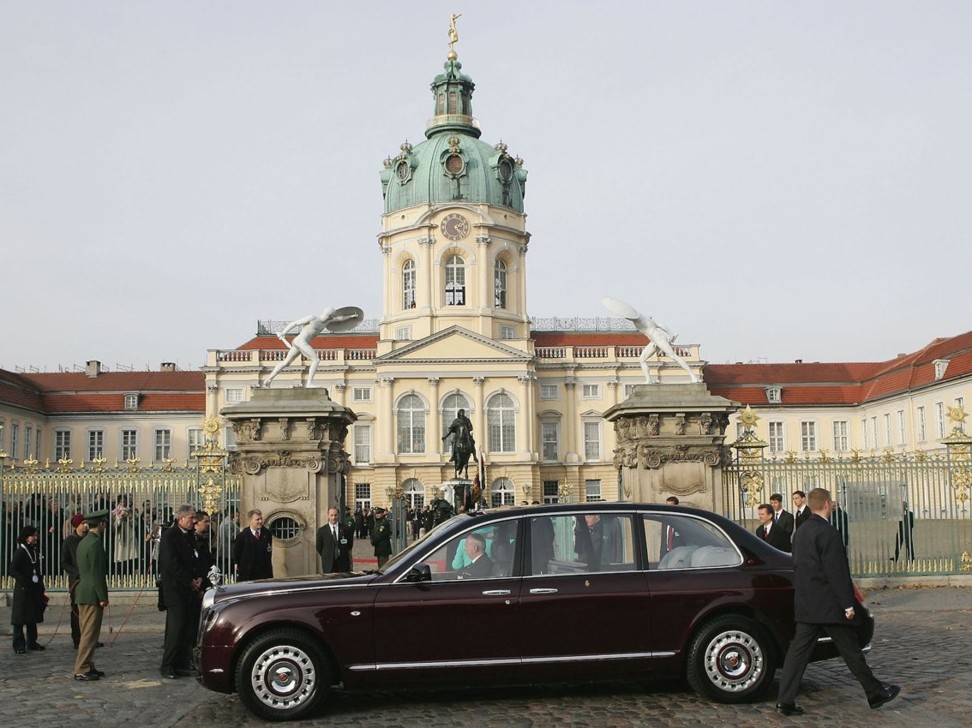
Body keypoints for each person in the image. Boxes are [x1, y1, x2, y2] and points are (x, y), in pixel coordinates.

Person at [776, 487, 899, 716]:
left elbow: (798, 567)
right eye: (831, 502)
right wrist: (848, 604)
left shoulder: (800, 533)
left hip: (806, 602)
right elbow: (837, 572)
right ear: (827, 504)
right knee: (851, 650)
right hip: (828, 604)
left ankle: (785, 700)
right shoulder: (828, 532)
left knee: (797, 653)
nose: (832, 505)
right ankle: (875, 692)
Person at [262, 307, 359, 388]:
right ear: (330, 315)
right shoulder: (313, 318)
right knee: (316, 360)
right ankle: (309, 383)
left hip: (299, 342)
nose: (334, 317)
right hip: (300, 341)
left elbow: (340, 319)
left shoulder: (327, 321)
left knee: (286, 362)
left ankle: (268, 379)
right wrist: (284, 332)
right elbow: (294, 323)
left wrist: (351, 316)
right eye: (333, 315)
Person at [159, 504, 202, 679]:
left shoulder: (190, 536)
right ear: (181, 519)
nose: (194, 521)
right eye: (191, 518)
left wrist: (198, 577)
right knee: (175, 630)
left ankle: (182, 662)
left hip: (190, 591)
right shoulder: (170, 536)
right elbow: (171, 564)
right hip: (176, 590)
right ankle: (168, 665)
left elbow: (194, 559)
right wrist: (189, 581)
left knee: (188, 630)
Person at [73, 509, 109, 682]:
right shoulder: (94, 544)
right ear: (101, 524)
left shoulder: (84, 541)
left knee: (87, 631)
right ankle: (82, 668)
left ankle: (89, 664)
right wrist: (103, 596)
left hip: (83, 591)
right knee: (89, 633)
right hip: (91, 594)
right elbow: (96, 573)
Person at [10, 525, 47, 654]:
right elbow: (13, 569)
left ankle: (32, 642)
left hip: (33, 588)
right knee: (20, 619)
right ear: (27, 538)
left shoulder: (33, 550)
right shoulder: (20, 551)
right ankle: (19, 644)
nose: (36, 538)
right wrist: (24, 580)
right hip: (23, 588)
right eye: (34, 535)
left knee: (32, 617)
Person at [632, 313, 699, 384]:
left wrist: (671, 334)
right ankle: (648, 380)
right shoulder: (639, 320)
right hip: (654, 341)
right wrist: (671, 333)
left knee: (673, 356)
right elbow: (660, 325)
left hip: (659, 339)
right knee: (642, 359)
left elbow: (660, 325)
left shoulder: (644, 320)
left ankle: (693, 376)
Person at [61, 513, 89, 648]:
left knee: (89, 610)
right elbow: (64, 562)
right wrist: (76, 572)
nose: (85, 526)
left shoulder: (90, 539)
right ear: (76, 526)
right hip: (76, 581)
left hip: (89, 580)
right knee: (77, 610)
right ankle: (77, 639)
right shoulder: (69, 541)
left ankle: (89, 638)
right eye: (83, 523)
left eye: (86, 523)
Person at [233, 509, 274, 581]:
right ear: (250, 521)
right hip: (248, 576)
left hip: (264, 576)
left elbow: (268, 551)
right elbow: (237, 556)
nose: (260, 521)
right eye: (257, 519)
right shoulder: (242, 536)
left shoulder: (267, 534)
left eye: (261, 519)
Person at [442, 409, 478, 479]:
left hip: (466, 435)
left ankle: (475, 456)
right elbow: (451, 430)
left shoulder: (467, 420)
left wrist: (467, 428)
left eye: (463, 413)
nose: (462, 414)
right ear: (459, 413)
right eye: (461, 413)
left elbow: (471, 428)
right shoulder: (456, 421)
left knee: (472, 442)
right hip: (458, 436)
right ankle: (453, 456)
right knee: (453, 442)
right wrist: (445, 437)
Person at [316, 507, 353, 573]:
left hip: (343, 563)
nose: (334, 517)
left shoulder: (345, 529)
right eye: (331, 515)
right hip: (328, 564)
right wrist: (328, 554)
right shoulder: (322, 531)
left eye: (335, 515)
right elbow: (319, 547)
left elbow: (349, 545)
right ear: (328, 516)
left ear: (338, 515)